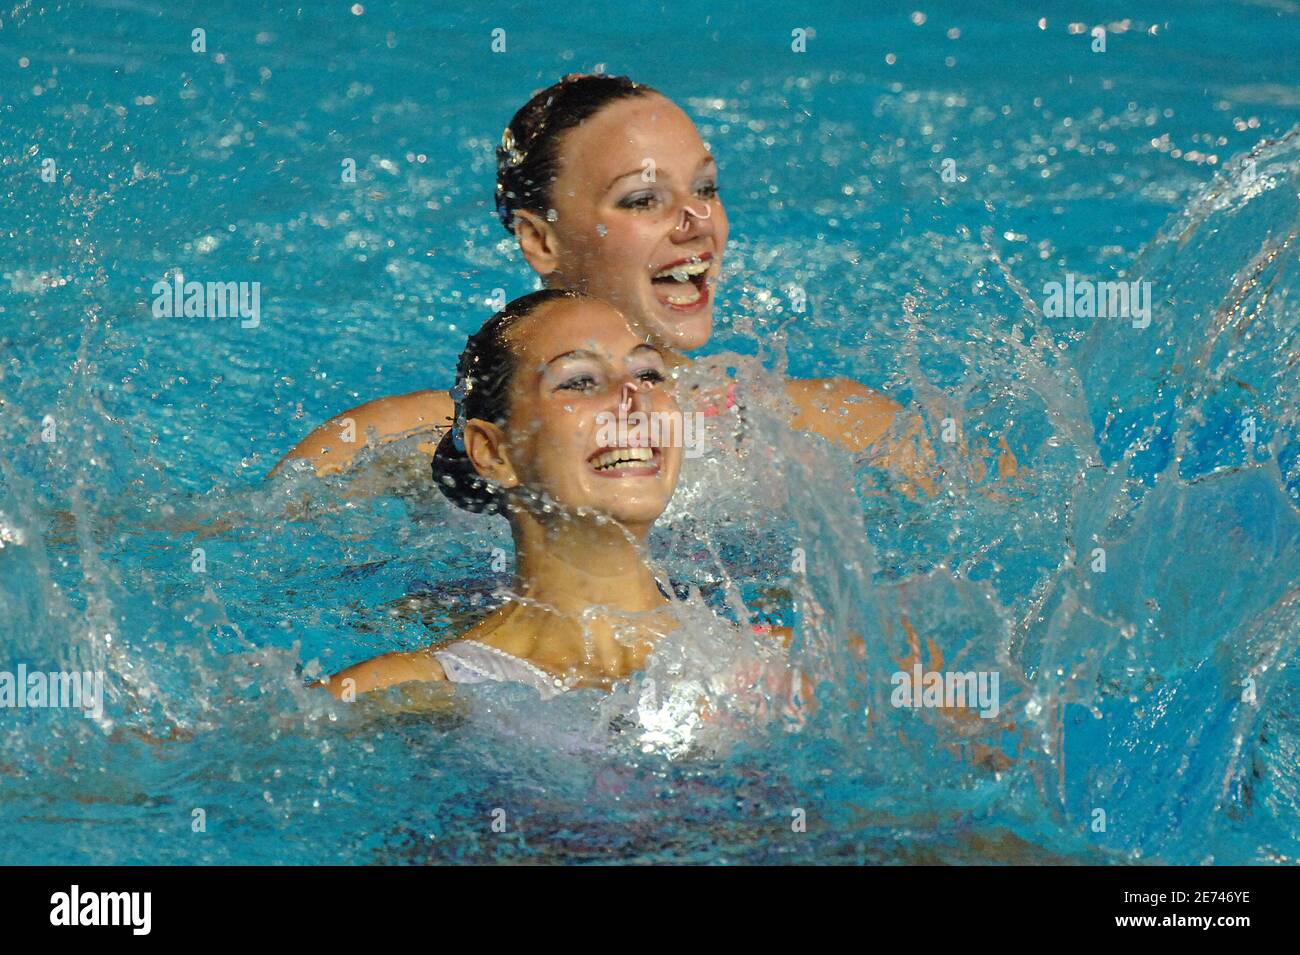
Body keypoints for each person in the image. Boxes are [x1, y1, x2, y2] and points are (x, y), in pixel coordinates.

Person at [277, 73, 906, 478]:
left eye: (707, 188)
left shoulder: (839, 429)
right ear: (540, 240)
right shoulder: (409, 449)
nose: (698, 222)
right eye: (642, 199)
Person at [322, 289, 798, 702]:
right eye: (580, 381)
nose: (634, 398)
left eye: (649, 374)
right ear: (493, 453)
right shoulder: (412, 690)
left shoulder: (795, 664)